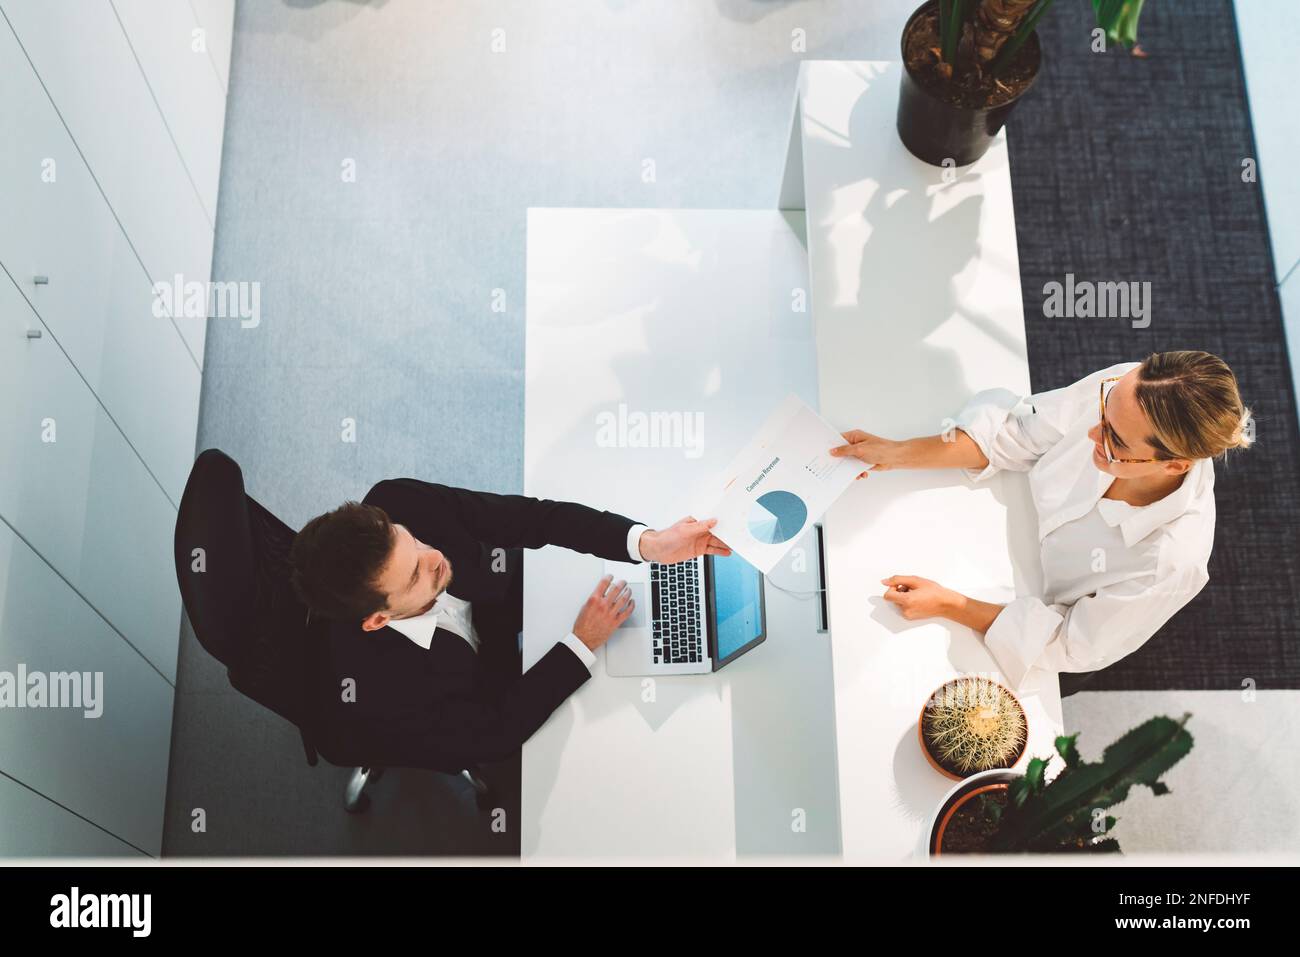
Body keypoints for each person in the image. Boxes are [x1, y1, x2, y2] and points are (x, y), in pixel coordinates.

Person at [830, 351, 1252, 690]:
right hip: (998, 530)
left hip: (1027, 628)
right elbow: (1017, 433)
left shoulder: (1171, 562)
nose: (1093, 432)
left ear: (1174, 466)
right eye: (1103, 411)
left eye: (1115, 441)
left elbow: (1070, 645)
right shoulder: (1128, 394)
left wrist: (948, 604)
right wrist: (897, 453)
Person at [289, 477, 730, 771]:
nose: (436, 557)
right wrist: (580, 644)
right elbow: (494, 734)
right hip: (476, 689)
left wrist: (648, 543)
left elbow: (536, 518)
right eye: (415, 574)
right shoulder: (384, 691)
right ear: (378, 618)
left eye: (415, 541)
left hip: (492, 601)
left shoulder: (401, 501)